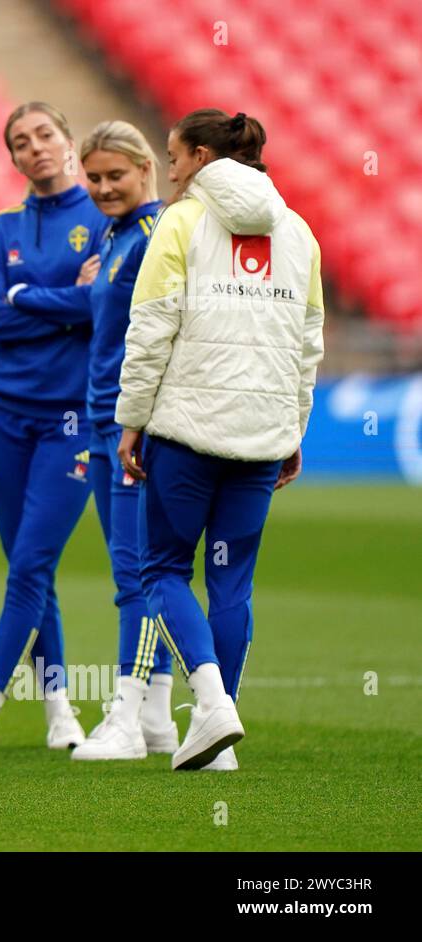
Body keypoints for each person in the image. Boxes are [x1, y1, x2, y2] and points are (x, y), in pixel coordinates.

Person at [116, 110, 324, 771]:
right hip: (261, 438)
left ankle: (212, 705)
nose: (169, 171)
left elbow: (151, 329)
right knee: (232, 584)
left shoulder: (180, 222)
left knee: (164, 569)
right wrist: (294, 427)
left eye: (173, 158)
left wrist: (131, 418)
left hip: (186, 432)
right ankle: (217, 742)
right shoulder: (299, 234)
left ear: (202, 157)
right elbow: (308, 345)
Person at [0, 102, 107, 756]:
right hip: (0, 417)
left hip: (72, 422)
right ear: (12, 158)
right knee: (29, 569)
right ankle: (61, 709)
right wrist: (64, 304)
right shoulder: (2, 227)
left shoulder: (102, 220)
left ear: (69, 142)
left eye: (44, 134)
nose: (34, 147)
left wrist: (24, 299)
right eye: (20, 141)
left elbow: (102, 306)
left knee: (32, 563)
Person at [68, 121, 178, 762]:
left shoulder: (153, 234)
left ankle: (126, 717)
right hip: (105, 420)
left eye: (117, 175)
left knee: (137, 572)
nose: (105, 187)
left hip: (135, 422)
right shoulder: (115, 237)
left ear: (146, 170)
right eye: (96, 178)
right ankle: (158, 716)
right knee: (131, 569)